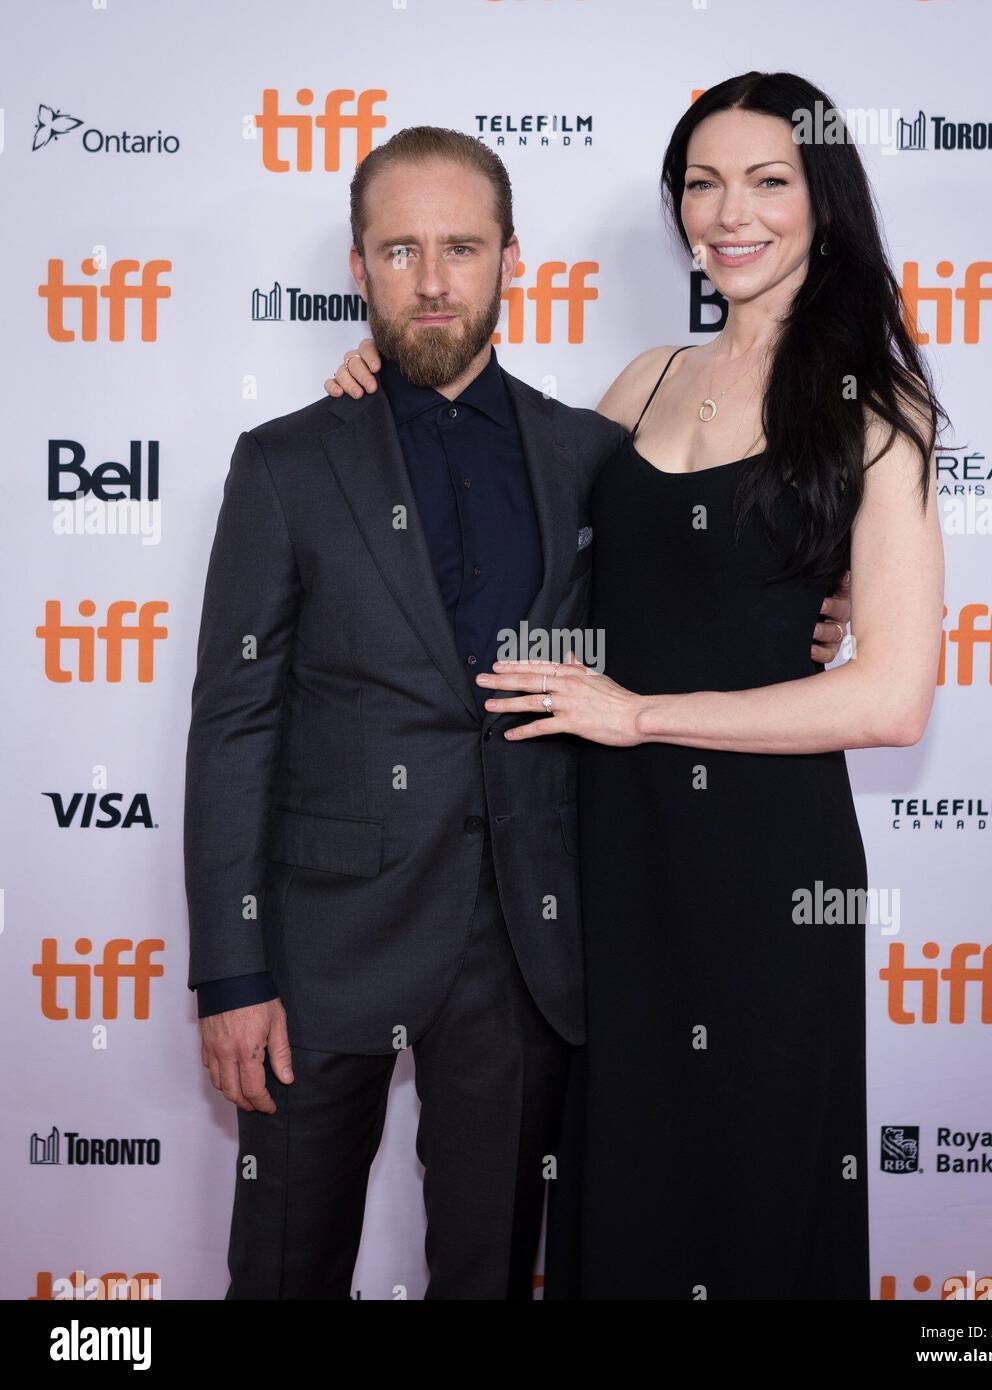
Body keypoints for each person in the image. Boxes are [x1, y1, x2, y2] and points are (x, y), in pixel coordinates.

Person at [185, 121, 854, 1300]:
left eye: (461, 248)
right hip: (321, 953)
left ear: (511, 260)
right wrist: (234, 975)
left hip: (527, 953)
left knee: (491, 1275)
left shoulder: (591, 451)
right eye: (400, 252)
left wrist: (823, 602)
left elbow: (704, 573)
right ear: (358, 266)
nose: (432, 281)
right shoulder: (286, 461)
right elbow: (233, 724)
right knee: (281, 1272)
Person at [325, 73, 945, 1299]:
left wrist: (643, 713)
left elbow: (890, 699)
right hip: (610, 862)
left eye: (767, 179)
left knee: (759, 1190)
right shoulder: (644, 382)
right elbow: (514, 512)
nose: (730, 212)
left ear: (824, 199)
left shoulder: (876, 408)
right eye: (702, 184)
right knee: (622, 1195)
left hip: (768, 872)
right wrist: (385, 393)